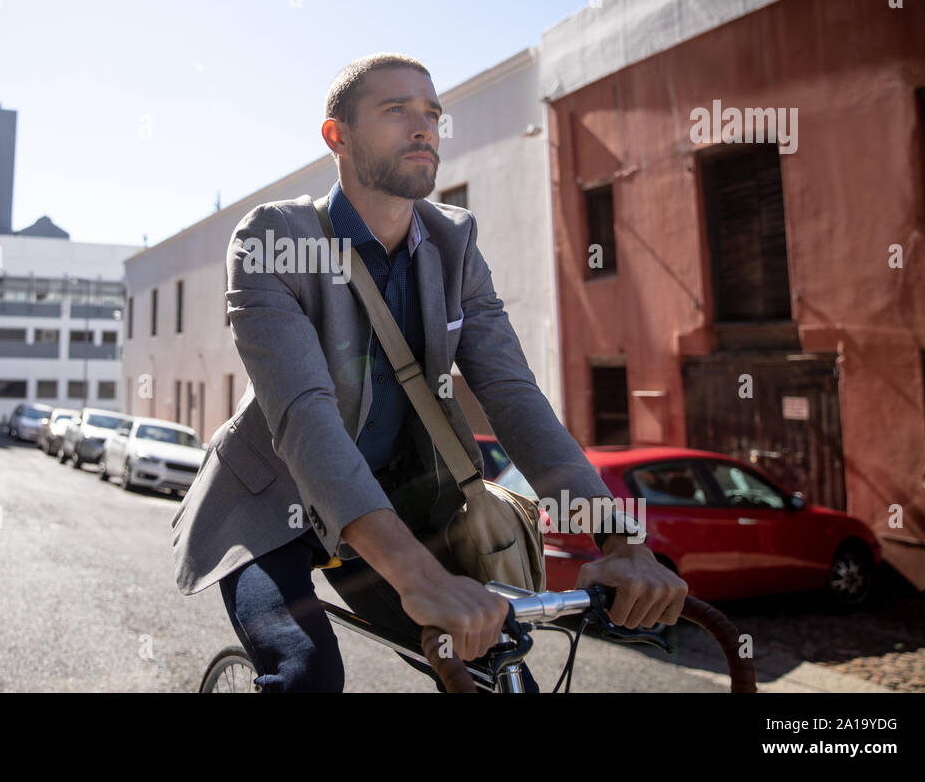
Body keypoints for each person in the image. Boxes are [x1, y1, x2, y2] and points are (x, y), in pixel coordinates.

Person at [172, 53, 687, 692]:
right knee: (307, 674)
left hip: (391, 508)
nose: (424, 128)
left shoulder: (455, 243)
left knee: (495, 669)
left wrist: (620, 543)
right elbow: (305, 417)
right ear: (337, 136)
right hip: (272, 506)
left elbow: (512, 395)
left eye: (432, 114)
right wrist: (418, 578)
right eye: (396, 111)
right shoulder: (271, 239)